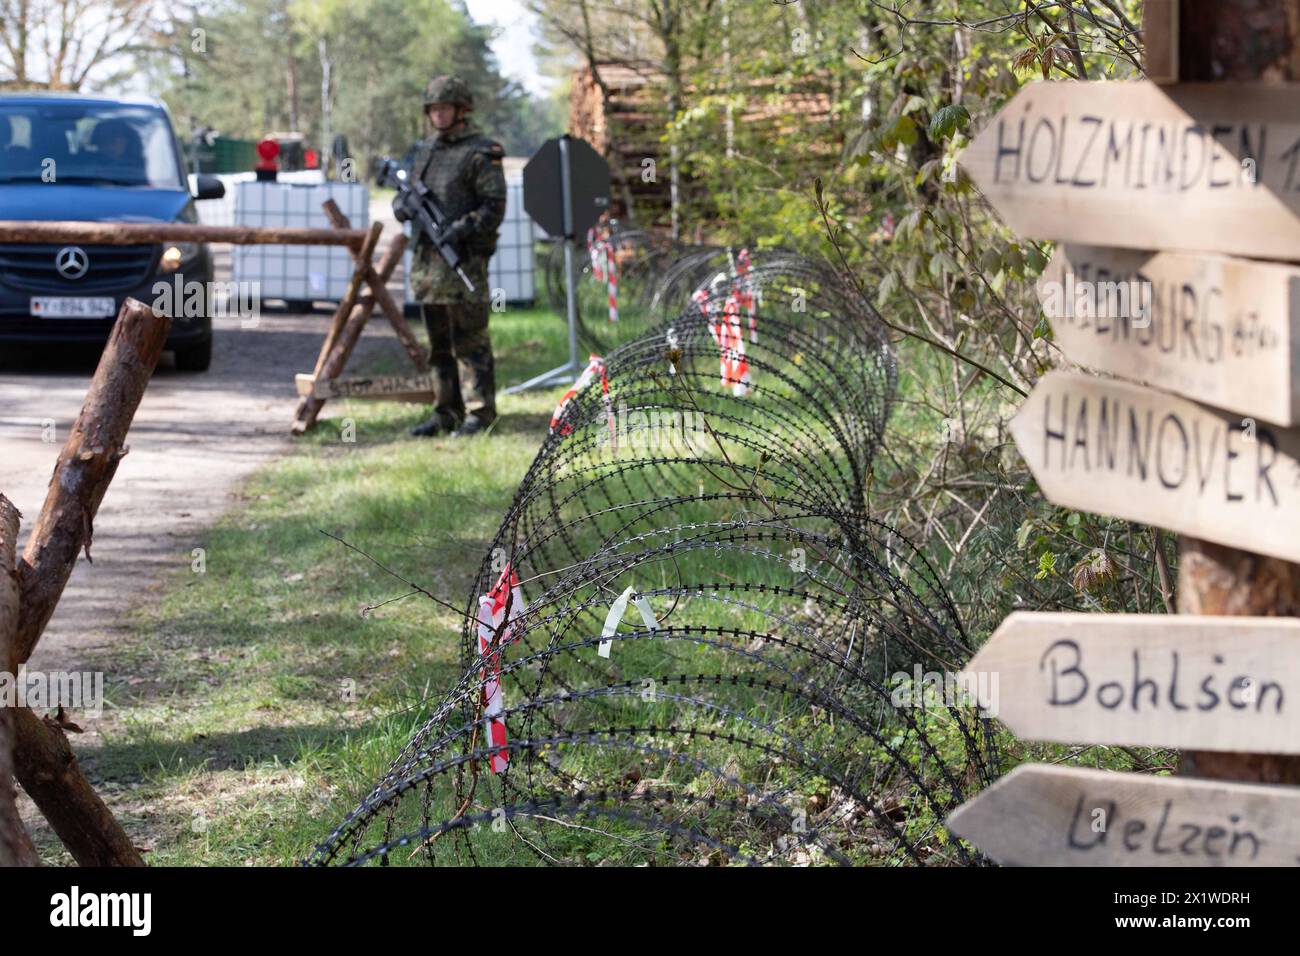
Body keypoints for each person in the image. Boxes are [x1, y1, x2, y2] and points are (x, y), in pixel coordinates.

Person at [400, 75, 507, 438]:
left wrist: (462, 229)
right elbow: (411, 192)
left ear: (462, 110)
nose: (438, 115)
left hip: (463, 261)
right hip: (428, 265)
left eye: (444, 108)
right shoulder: (426, 150)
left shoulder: (481, 151)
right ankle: (446, 411)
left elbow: (494, 206)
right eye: (433, 109)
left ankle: (480, 412)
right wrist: (403, 206)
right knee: (439, 345)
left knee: (470, 341)